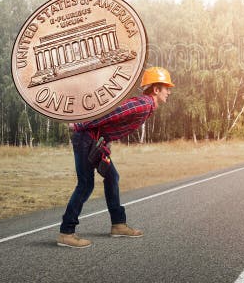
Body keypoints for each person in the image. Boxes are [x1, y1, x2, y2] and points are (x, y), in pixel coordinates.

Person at [57, 66, 175, 248]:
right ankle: (66, 232)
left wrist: (104, 145)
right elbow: (114, 112)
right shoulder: (143, 104)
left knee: (112, 177)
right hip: (86, 137)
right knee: (85, 184)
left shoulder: (147, 106)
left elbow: (112, 123)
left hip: (95, 141)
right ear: (156, 89)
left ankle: (118, 224)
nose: (169, 92)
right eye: (167, 88)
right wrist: (80, 124)